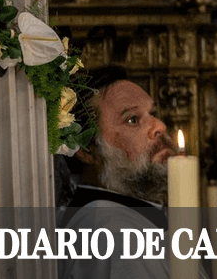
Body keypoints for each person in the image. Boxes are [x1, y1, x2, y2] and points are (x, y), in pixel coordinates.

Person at [58, 65, 178, 279]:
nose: (159, 125)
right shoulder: (113, 234)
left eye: (153, 114)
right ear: (87, 150)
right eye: (132, 119)